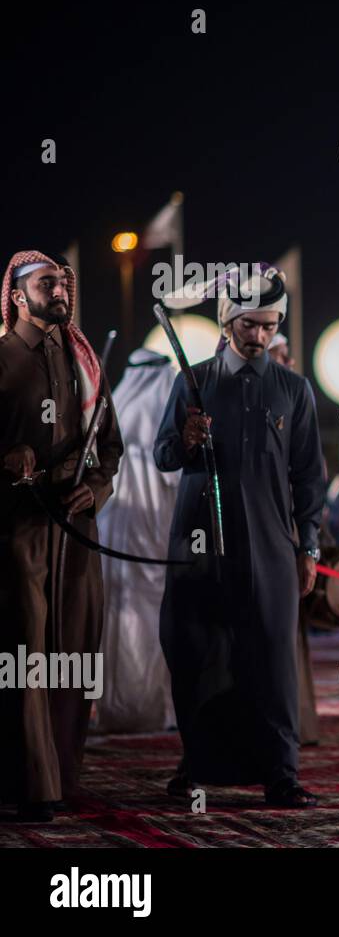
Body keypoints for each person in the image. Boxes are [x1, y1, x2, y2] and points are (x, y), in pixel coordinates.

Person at [155, 267, 326, 808]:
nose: (259, 337)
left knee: (272, 660)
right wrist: (186, 438)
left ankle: (281, 774)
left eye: (269, 326)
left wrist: (310, 546)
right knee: (199, 654)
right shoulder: (194, 381)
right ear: (227, 321)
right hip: (200, 547)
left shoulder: (293, 390)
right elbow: (162, 456)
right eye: (249, 325)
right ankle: (197, 763)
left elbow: (309, 476)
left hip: (273, 548)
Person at [0, 251, 123, 823]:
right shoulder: (0, 359)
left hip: (77, 527)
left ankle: (61, 776)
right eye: (47, 281)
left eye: (64, 280)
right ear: (18, 295)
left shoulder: (84, 362)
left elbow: (112, 448)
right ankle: (34, 785)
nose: (60, 287)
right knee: (26, 655)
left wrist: (95, 489)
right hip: (18, 528)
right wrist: (8, 458)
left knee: (74, 652)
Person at [97, 348, 179, 733]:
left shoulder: (119, 404)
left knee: (120, 614)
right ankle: (154, 709)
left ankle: (120, 707)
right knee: (154, 616)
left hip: (115, 525)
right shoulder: (163, 406)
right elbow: (174, 477)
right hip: (153, 528)